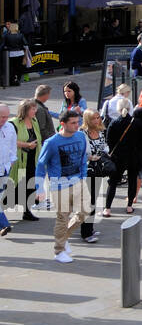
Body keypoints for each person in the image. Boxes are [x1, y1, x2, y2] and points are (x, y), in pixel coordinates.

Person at [35, 110, 91, 263]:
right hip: (59, 185)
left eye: (77, 122)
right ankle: (59, 251)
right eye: (73, 123)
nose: (77, 125)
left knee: (85, 211)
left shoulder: (80, 136)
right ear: (62, 124)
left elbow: (82, 158)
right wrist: (39, 188)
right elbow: (41, 165)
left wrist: (83, 176)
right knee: (62, 217)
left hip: (78, 181)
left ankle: (63, 238)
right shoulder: (52, 143)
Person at [79, 110, 109, 244]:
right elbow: (80, 152)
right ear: (87, 120)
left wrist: (105, 152)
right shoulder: (82, 133)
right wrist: (90, 157)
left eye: (98, 118)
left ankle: (89, 228)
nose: (97, 120)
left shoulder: (101, 132)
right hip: (86, 170)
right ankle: (85, 233)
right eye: (93, 119)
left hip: (97, 169)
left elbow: (104, 147)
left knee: (93, 201)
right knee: (88, 202)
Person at [13, 100, 42, 221]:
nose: (35, 111)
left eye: (35, 109)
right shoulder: (14, 123)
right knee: (14, 186)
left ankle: (26, 211)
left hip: (32, 159)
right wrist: (27, 145)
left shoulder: (34, 121)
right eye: (32, 109)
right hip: (19, 161)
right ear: (24, 110)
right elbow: (11, 142)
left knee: (30, 185)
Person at [0, 105, 15, 235]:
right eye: (1, 117)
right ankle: (4, 224)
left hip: (5, 168)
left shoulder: (9, 127)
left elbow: (12, 145)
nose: (4, 119)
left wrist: (12, 161)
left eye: (6, 116)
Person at [4, 21, 29, 86]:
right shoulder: (20, 35)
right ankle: (17, 80)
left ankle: (12, 80)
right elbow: (25, 44)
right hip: (20, 53)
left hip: (11, 53)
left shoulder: (7, 35)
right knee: (19, 68)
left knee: (12, 68)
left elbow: (3, 45)